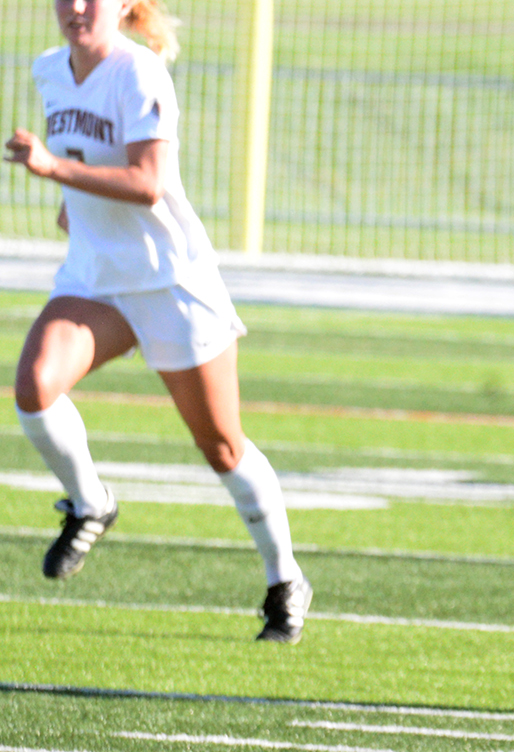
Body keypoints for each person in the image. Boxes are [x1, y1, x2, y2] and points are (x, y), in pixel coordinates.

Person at [6, 0, 311, 642]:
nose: (76, 7)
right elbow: (85, 153)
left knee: (221, 445)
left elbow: (147, 182)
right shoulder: (48, 70)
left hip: (170, 281)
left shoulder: (140, 72)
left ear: (123, 6)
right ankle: (91, 504)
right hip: (97, 277)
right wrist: (72, 201)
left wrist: (54, 169)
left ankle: (285, 580)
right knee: (33, 387)